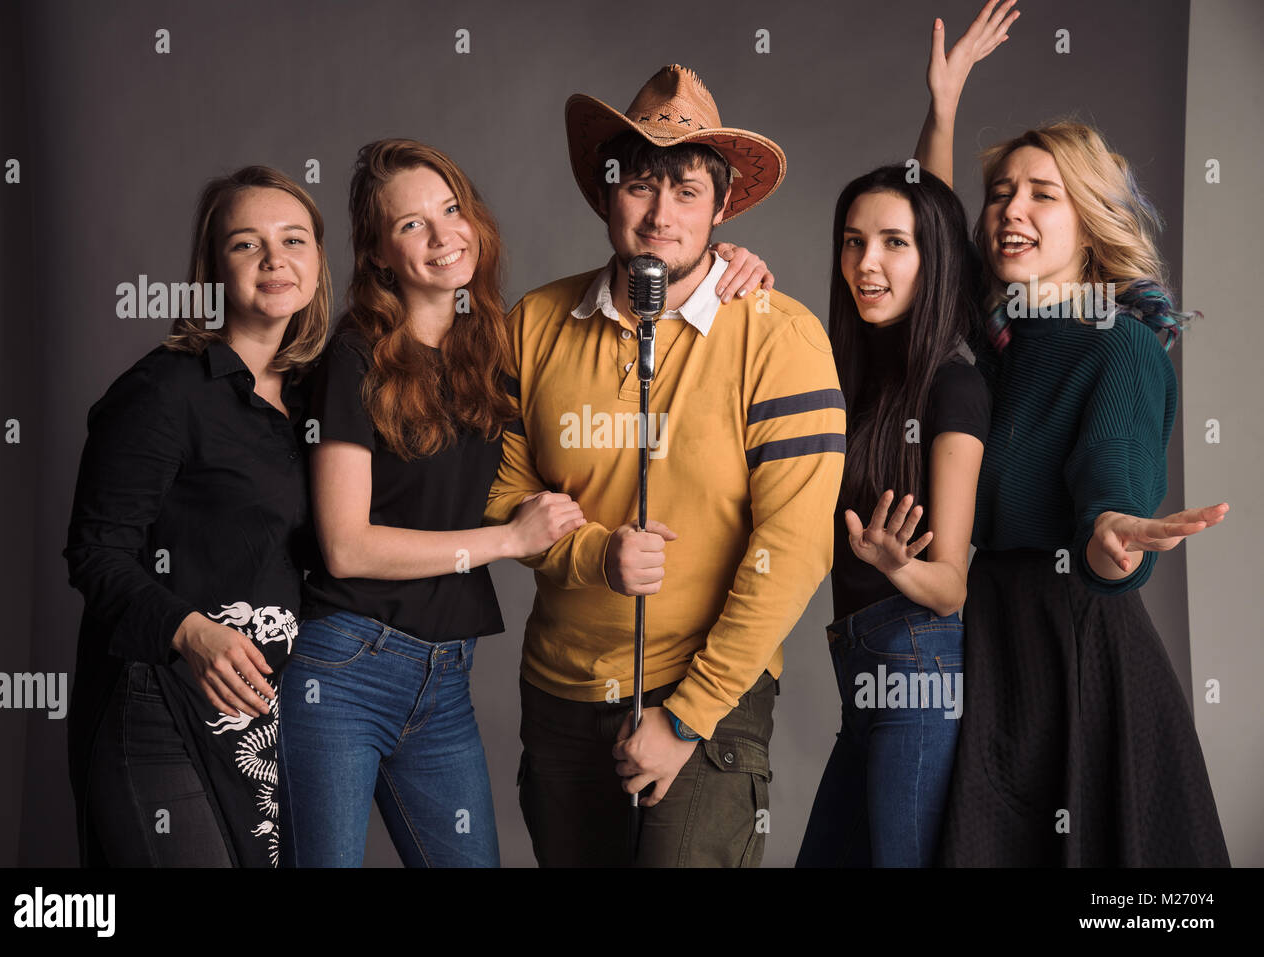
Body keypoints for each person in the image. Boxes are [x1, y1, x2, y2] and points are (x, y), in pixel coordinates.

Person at [276, 138, 770, 867]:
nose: (443, 235)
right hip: (346, 665)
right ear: (378, 253)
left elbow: (640, 291)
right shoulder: (357, 356)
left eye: (450, 210)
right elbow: (346, 544)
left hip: (443, 676)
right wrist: (507, 541)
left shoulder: (495, 344)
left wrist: (723, 260)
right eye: (411, 225)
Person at [483, 64, 845, 867]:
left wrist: (687, 716)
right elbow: (501, 492)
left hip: (709, 692)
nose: (659, 215)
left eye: (686, 191)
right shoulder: (533, 324)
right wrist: (595, 554)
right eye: (639, 185)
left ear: (722, 208)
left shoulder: (781, 336)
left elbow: (796, 545)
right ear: (606, 194)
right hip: (560, 695)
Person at [916, 0, 1230, 865]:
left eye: (1042, 195)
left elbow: (1113, 486)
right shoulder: (992, 340)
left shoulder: (1118, 347)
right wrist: (941, 110)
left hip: (1078, 653)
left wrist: (1113, 535)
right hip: (989, 642)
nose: (1010, 208)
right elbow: (932, 239)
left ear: (1089, 222)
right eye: (1001, 193)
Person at [65, 166, 332, 867]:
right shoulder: (163, 391)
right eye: (247, 244)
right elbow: (96, 552)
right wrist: (189, 632)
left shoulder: (318, 402)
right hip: (158, 702)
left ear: (318, 261)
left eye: (294, 239)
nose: (276, 260)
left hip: (263, 721)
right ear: (212, 268)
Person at [796, 165, 988, 867]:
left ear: (931, 258)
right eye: (852, 241)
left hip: (918, 663)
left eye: (893, 244)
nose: (866, 262)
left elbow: (952, 588)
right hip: (863, 670)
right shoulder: (854, 374)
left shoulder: (953, 386)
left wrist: (897, 563)